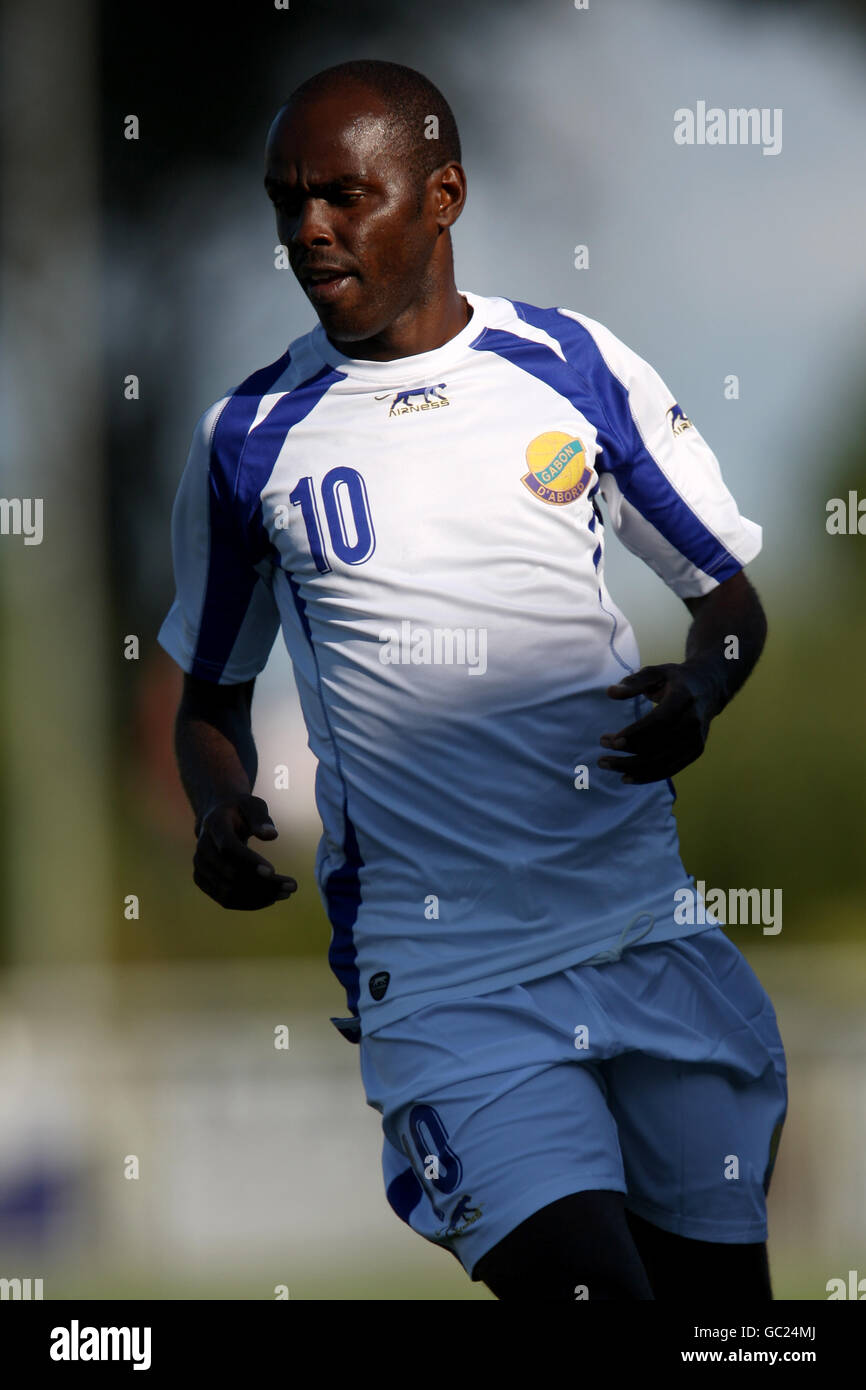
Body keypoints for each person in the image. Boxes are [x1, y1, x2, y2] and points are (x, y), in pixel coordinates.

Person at [157, 59, 787, 1301]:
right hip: (445, 984)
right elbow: (208, 699)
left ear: (440, 195)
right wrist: (215, 804)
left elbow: (725, 599)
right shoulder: (248, 439)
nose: (308, 229)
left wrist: (700, 695)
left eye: (344, 194)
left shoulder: (570, 364)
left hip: (640, 936)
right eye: (286, 201)